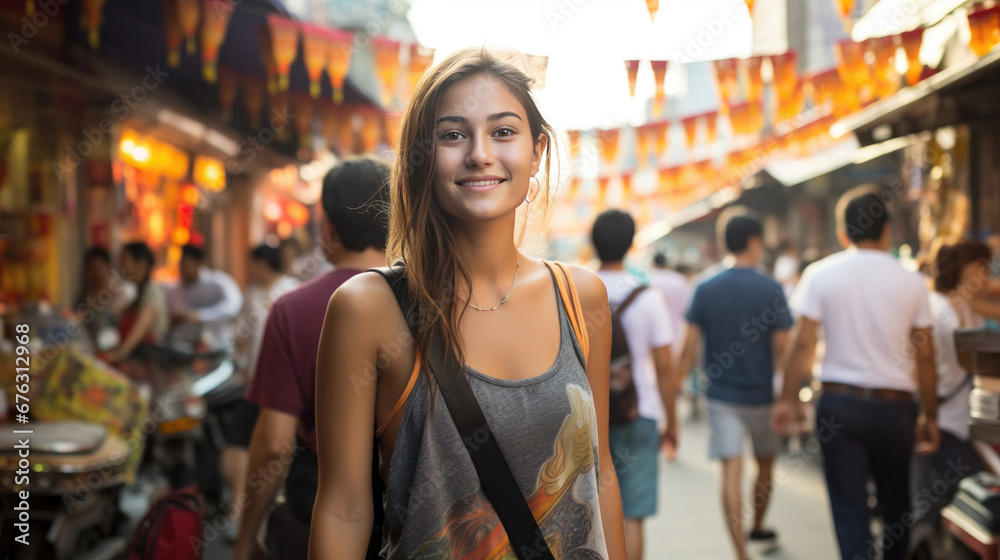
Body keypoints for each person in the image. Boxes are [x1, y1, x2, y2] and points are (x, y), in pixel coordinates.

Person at [309, 48, 627, 559]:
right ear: (421, 155)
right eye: (453, 134)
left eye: (503, 131)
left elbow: (601, 472)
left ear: (537, 152)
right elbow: (344, 507)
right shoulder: (367, 309)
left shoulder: (581, 296)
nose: (480, 153)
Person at [233, 157, 392, 560]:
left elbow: (273, 442)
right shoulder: (426, 302)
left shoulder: (292, 309)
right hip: (410, 517)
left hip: (316, 514)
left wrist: (247, 534)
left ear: (328, 227)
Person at [773, 185, 939, 560]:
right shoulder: (911, 280)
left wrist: (786, 399)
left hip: (839, 407)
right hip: (895, 409)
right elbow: (926, 356)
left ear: (842, 232)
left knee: (850, 508)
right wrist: (931, 413)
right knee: (897, 504)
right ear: (887, 230)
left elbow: (803, 344)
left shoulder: (820, 274)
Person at [677, 214, 793, 560]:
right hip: (763, 395)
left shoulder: (704, 286)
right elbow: (785, 345)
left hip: (721, 394)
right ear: (755, 241)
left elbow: (688, 345)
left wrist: (679, 385)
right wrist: (782, 385)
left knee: (731, 470)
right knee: (766, 465)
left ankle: (741, 551)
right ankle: (758, 523)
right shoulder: (771, 288)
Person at [592, 210, 675, 560]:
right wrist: (673, 421)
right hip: (641, 412)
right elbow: (665, 368)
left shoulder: (576, 289)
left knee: (593, 511)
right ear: (630, 244)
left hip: (590, 415)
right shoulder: (649, 296)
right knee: (633, 514)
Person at [219, 243, 299, 541]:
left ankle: (260, 514)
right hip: (254, 384)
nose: (248, 269)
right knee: (237, 447)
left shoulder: (290, 290)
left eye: (251, 262)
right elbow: (242, 337)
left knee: (274, 449)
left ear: (263, 263)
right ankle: (239, 510)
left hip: (282, 388)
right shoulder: (251, 294)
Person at [922, 241, 996, 511]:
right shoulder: (940, 309)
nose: (987, 277)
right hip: (945, 422)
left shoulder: (964, 306)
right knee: (964, 496)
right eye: (984, 269)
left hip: (966, 423)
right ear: (972, 269)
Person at [168, 243, 243, 349]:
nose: (182, 269)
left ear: (198, 263)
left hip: (215, 347)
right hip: (181, 348)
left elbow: (234, 305)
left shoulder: (218, 282)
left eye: (185, 264)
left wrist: (202, 315)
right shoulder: (174, 288)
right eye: (180, 264)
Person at [106, 242, 169, 364]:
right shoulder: (138, 294)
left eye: (124, 260)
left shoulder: (152, 292)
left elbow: (140, 328)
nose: (120, 266)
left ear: (142, 264)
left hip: (150, 367)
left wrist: (121, 353)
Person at [78, 247, 134, 350]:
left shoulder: (121, 291)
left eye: (97, 266)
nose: (94, 271)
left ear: (107, 266)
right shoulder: (87, 292)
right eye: (91, 267)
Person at [650, 251, 690, 344]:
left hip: (658, 332)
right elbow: (687, 305)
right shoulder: (679, 280)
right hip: (680, 328)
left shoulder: (650, 280)